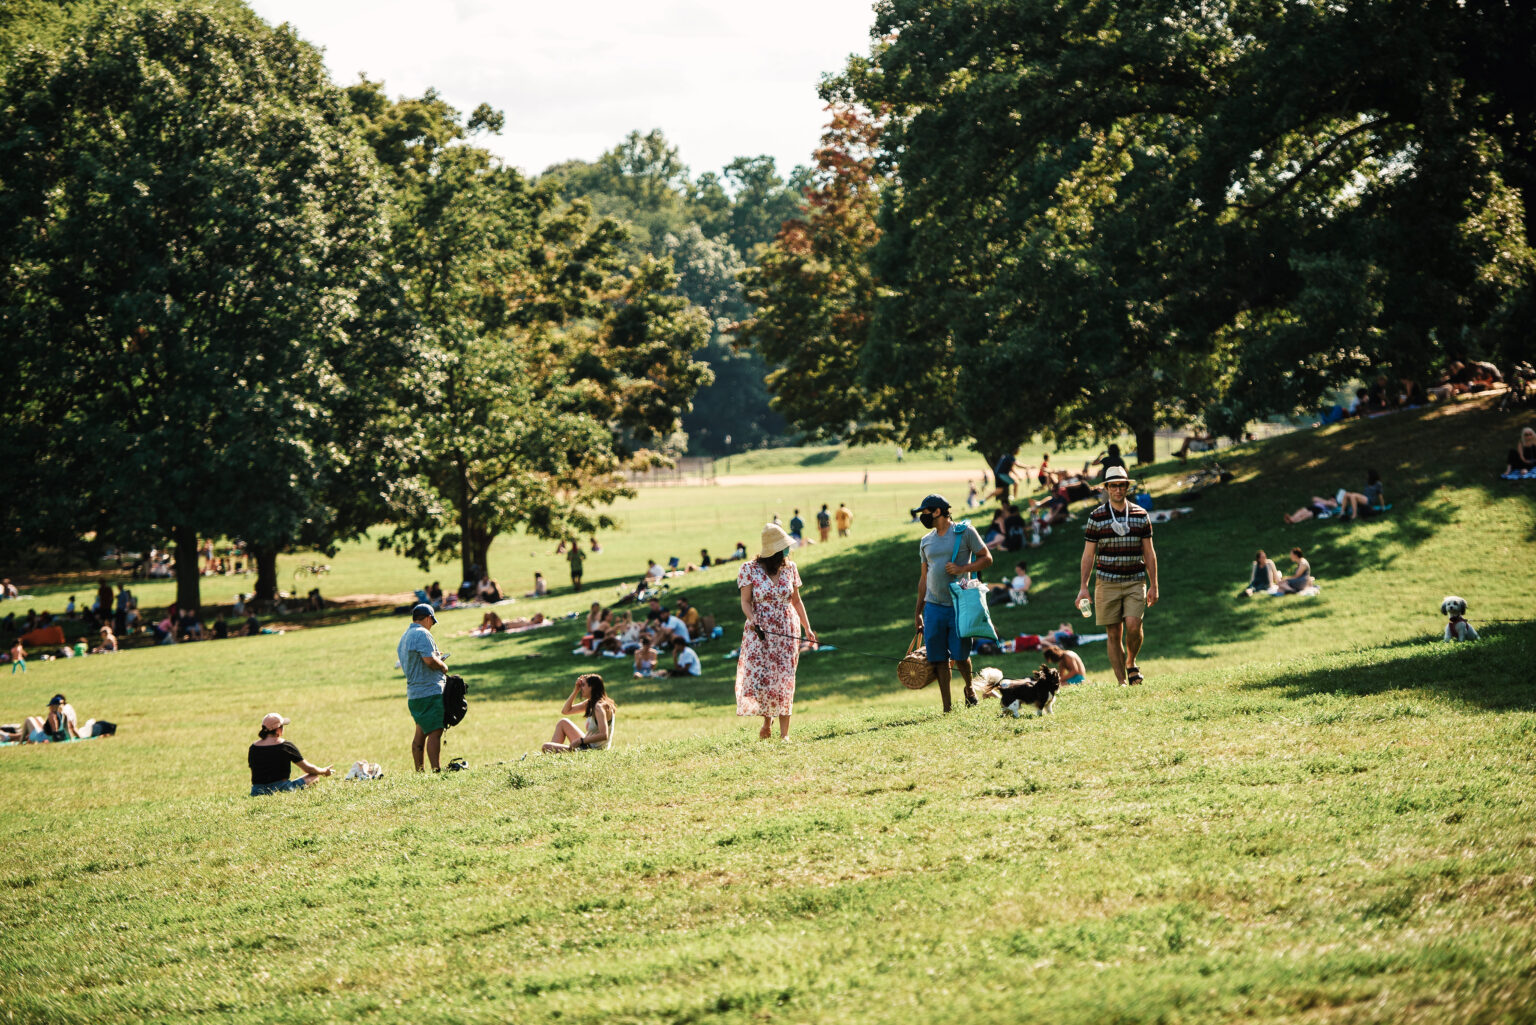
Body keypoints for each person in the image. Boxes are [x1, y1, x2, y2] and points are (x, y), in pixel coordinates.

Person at [1077, 466, 1159, 687]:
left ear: (1127, 487)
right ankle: (1122, 682)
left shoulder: (1141, 515)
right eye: (1113, 485)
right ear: (1107, 488)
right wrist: (1083, 587)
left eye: (1121, 485)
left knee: (1134, 626)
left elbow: (1149, 553)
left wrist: (1154, 585)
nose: (1118, 489)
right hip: (1106, 582)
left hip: (1135, 580)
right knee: (1113, 633)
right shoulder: (1096, 517)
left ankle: (1131, 662)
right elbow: (1088, 555)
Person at [736, 523, 816, 740]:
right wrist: (753, 620)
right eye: (783, 548)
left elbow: (797, 601)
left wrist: (807, 627)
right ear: (773, 551)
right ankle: (767, 721)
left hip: (786, 630)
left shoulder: (790, 568)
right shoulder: (749, 569)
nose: (787, 551)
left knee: (785, 679)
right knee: (764, 679)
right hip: (760, 632)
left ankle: (784, 734)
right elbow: (745, 602)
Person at [913, 494, 992, 712]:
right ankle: (947, 707)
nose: (923, 516)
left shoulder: (965, 532)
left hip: (960, 606)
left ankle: (969, 688)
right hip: (933, 607)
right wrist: (918, 611)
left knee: (961, 656)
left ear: (937, 511)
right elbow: (923, 579)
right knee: (938, 659)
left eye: (925, 512)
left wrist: (962, 569)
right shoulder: (925, 541)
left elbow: (987, 558)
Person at [397, 603, 448, 772]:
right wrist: (442, 665)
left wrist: (435, 657)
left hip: (414, 695)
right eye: (432, 622)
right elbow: (429, 661)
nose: (431, 626)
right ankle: (436, 770)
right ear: (428, 618)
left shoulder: (405, 637)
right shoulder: (422, 634)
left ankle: (419, 772)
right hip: (429, 692)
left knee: (421, 733)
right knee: (435, 731)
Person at [248, 712, 332, 796]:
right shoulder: (285, 746)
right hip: (282, 788)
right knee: (314, 777)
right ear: (278, 729)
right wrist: (324, 771)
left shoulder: (253, 747)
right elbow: (308, 769)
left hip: (256, 791)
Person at [542, 673, 615, 753]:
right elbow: (566, 711)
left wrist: (580, 741)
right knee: (563, 722)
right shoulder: (591, 703)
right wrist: (575, 690)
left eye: (583, 685)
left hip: (594, 750)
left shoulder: (599, 707)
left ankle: (554, 753)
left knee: (546, 747)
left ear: (592, 687)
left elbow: (604, 735)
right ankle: (554, 754)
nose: (581, 688)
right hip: (588, 745)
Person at [24, 694, 94, 743]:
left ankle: (20, 741)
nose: (49, 708)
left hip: (44, 737)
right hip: (57, 736)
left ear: (54, 706)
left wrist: (55, 741)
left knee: (29, 720)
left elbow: (55, 731)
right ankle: (21, 738)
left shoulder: (52, 715)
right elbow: (71, 728)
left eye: (50, 706)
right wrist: (75, 739)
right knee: (38, 718)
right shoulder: (64, 714)